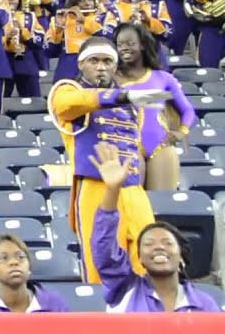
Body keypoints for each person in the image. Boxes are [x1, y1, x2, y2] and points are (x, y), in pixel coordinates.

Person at [49, 36, 164, 284]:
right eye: (94, 61)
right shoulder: (68, 89)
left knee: (148, 258)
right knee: (99, 263)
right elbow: (67, 106)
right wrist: (119, 97)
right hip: (94, 185)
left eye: (107, 61)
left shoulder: (131, 102)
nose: (101, 67)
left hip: (133, 189)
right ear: (81, 64)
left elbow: (136, 147)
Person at [89, 142, 222, 312]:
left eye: (167, 243)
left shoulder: (205, 305)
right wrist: (113, 189)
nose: (158, 247)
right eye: (148, 244)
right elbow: (104, 249)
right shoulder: (124, 289)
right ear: (141, 259)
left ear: (181, 256)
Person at [113, 23, 196, 192]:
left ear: (142, 45)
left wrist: (181, 131)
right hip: (126, 148)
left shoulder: (163, 77)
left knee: (162, 207)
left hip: (160, 147)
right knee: (132, 209)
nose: (124, 48)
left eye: (130, 43)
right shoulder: (110, 79)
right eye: (120, 44)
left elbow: (188, 110)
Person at [0, 234, 71, 312]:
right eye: (4, 258)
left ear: (29, 266)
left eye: (20, 257)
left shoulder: (54, 303)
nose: (14, 262)